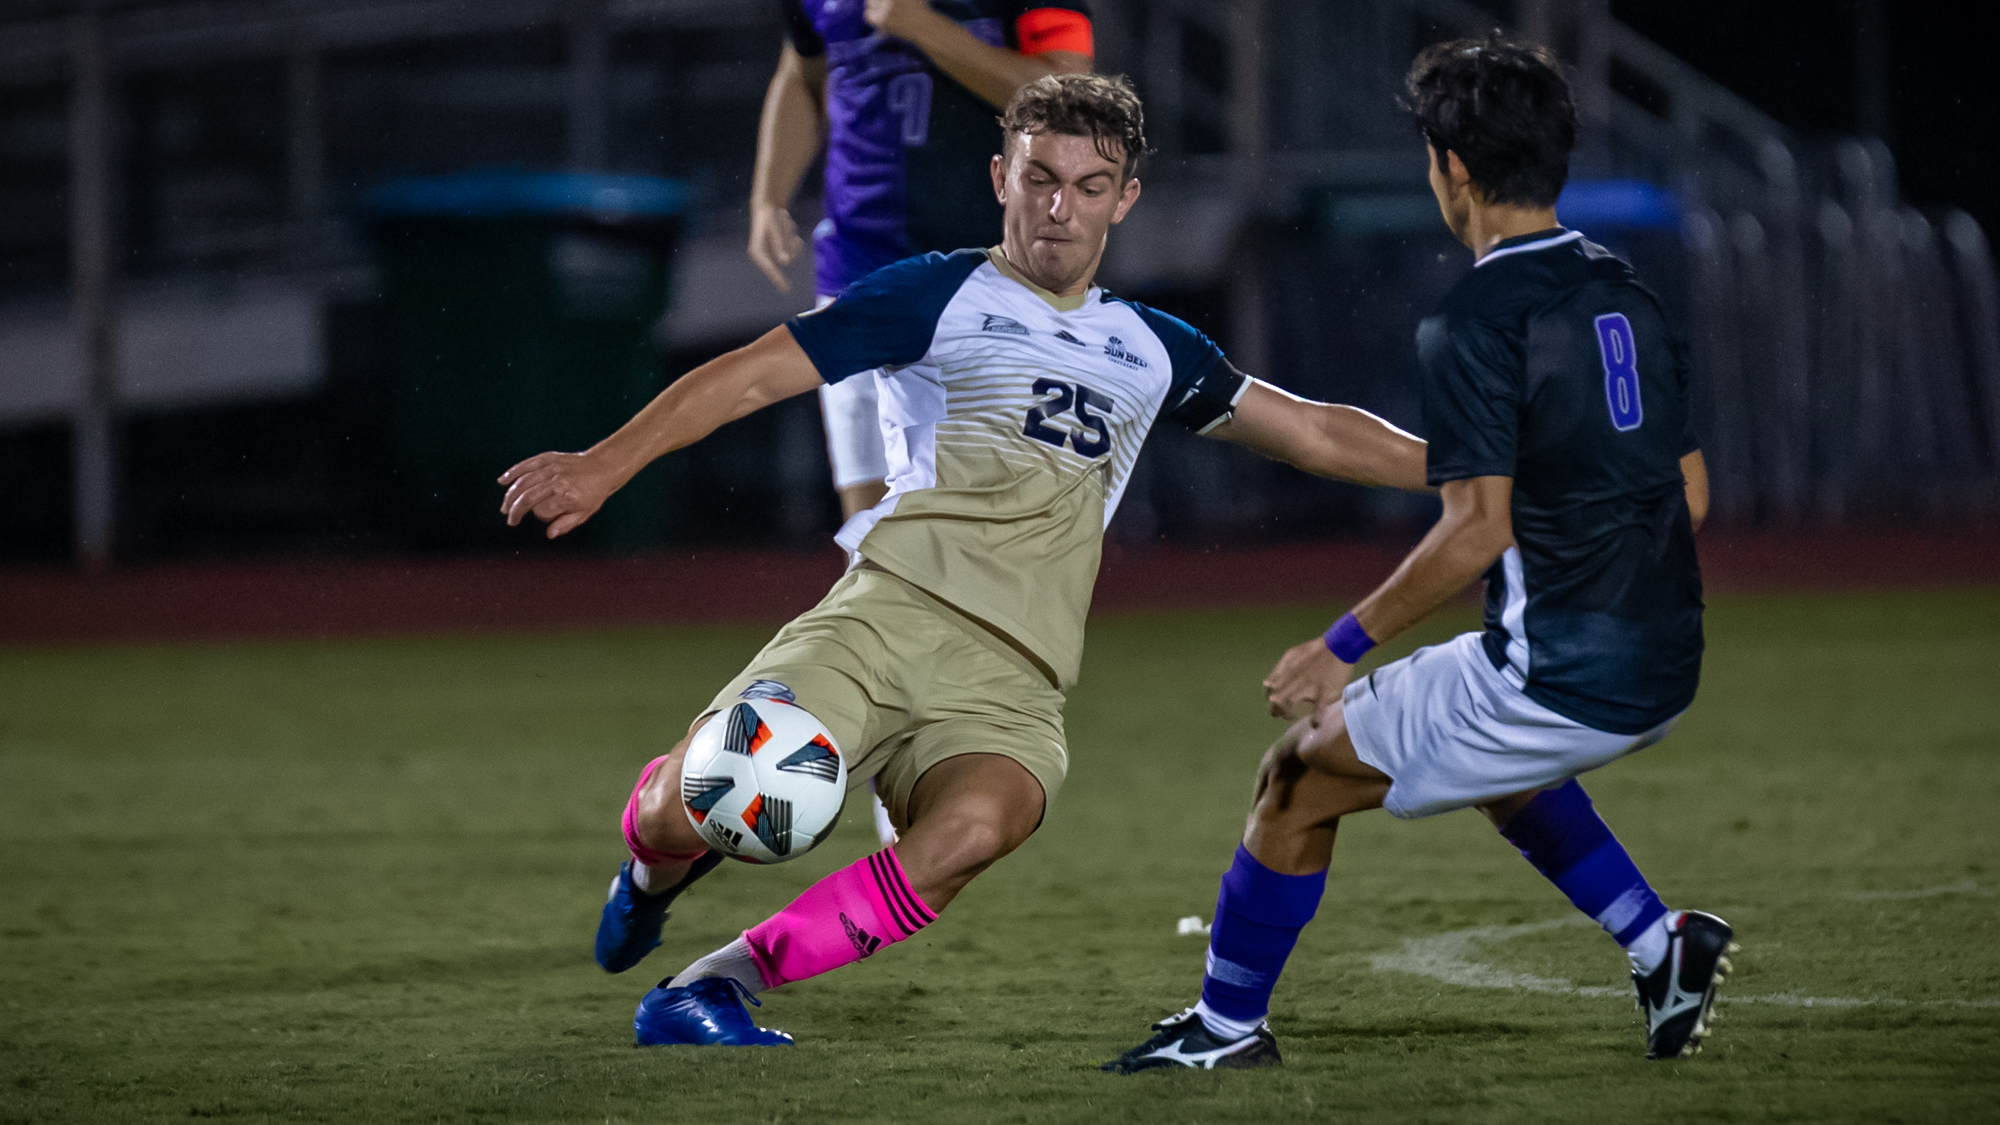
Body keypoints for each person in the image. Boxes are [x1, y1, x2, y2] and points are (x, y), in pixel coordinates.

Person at [498, 73, 1431, 1047]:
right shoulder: (935, 292)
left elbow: (1316, 433)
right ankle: (648, 871)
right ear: (1000, 177)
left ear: (1125, 199)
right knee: (699, 809)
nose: (1059, 206)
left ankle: (710, 989)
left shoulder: (1152, 347)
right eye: (1039, 178)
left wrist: (1478, 468)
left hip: (1015, 679)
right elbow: (749, 377)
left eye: (1087, 183)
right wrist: (605, 464)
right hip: (882, 622)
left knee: (979, 829)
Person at [1103, 37, 1734, 1074]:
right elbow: (1690, 496)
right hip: (1665, 657)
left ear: (1448, 167)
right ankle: (1656, 944)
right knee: (1498, 766)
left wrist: (1337, 644)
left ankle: (1221, 1030)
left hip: (1559, 671)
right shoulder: (1622, 289)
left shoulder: (1473, 318)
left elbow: (1474, 529)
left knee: (1295, 776)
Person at [749, 0, 1095, 523]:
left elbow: (1068, 99)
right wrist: (767, 198)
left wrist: (923, 27)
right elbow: (802, 72)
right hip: (858, 269)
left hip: (993, 275)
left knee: (992, 533)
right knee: (873, 543)